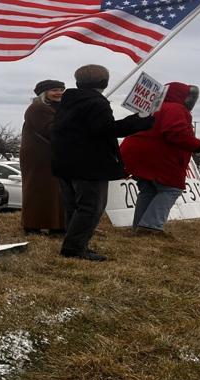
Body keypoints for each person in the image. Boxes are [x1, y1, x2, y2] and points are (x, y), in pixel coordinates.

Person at [49, 64, 155, 261]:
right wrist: (141, 121)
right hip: (89, 164)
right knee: (91, 207)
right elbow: (105, 130)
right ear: (104, 83)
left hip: (65, 162)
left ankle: (73, 243)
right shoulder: (96, 103)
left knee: (73, 205)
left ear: (78, 82)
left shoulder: (68, 101)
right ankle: (74, 248)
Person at [120, 82, 200, 234]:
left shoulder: (151, 107)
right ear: (180, 96)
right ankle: (150, 227)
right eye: (190, 97)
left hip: (136, 155)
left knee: (148, 189)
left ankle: (139, 227)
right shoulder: (175, 108)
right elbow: (176, 133)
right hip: (158, 156)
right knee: (171, 188)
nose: (191, 101)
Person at [21, 79, 67, 234]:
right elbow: (52, 130)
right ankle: (32, 224)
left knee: (57, 192)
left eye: (61, 89)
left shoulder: (58, 108)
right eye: (54, 89)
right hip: (39, 156)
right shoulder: (38, 108)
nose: (59, 92)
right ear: (44, 93)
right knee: (38, 190)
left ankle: (57, 225)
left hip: (53, 155)